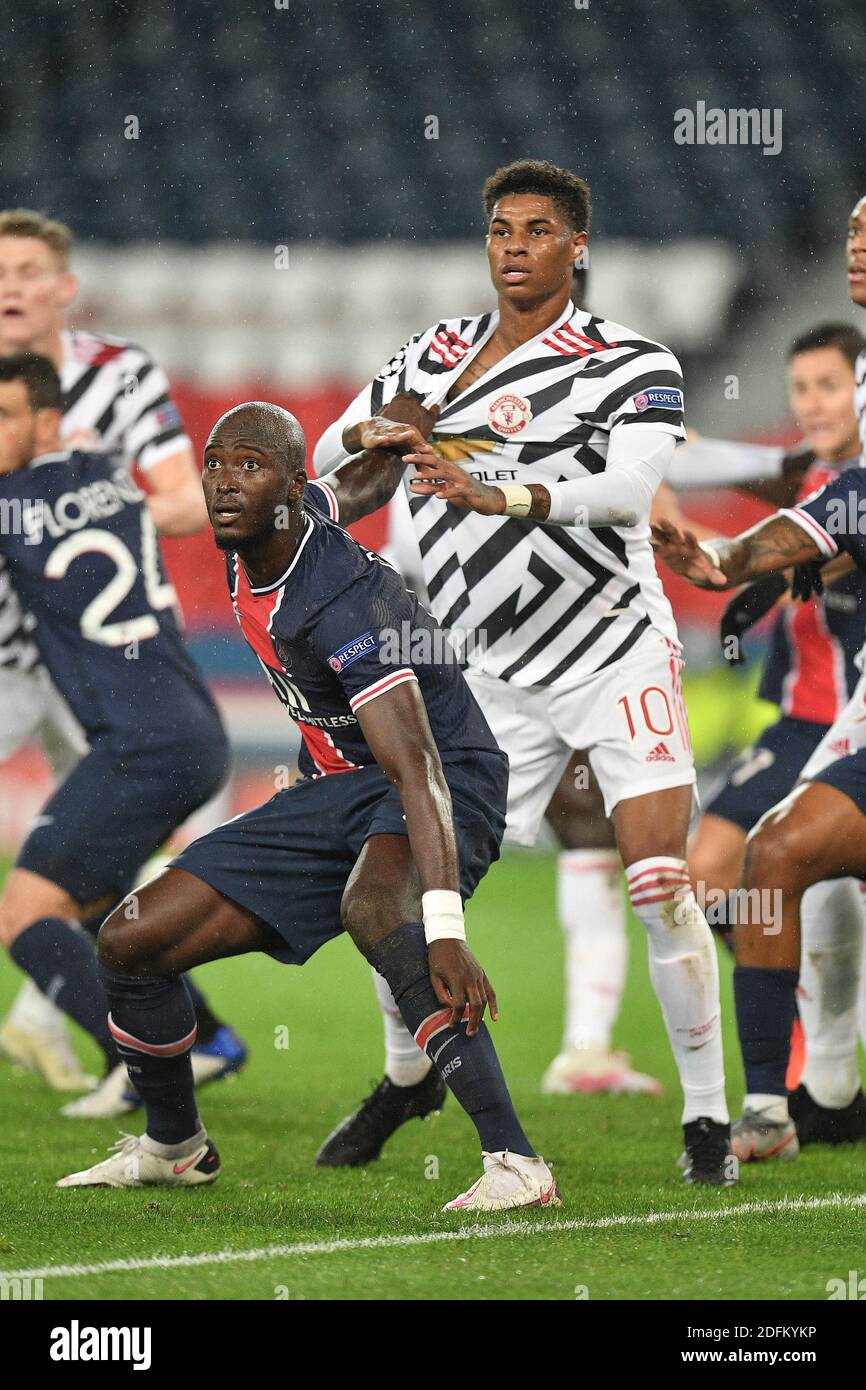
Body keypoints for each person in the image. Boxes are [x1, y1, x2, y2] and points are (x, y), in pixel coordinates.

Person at [311, 159, 733, 1184]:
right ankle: (406, 1074)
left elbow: (629, 486)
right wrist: (370, 434)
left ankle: (708, 1121)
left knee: (657, 877)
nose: (513, 244)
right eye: (501, 227)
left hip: (608, 647)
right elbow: (333, 450)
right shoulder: (436, 351)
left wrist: (495, 490)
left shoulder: (630, 359)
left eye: (537, 229)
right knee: (407, 884)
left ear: (575, 247)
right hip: (480, 674)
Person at [57, 400, 559, 1214]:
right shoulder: (269, 527)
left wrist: (447, 930)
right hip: (340, 789)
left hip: (444, 780)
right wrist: (396, 433)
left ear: (285, 487)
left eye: (248, 466)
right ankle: (175, 1146)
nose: (223, 484)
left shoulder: (345, 601)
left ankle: (516, 1162)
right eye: (216, 462)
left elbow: (418, 762)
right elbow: (351, 485)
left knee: (378, 911)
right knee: (131, 938)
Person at [0, 209, 243, 1096]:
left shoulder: (119, 375)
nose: (10, 288)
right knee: (79, 868)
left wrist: (79, 496)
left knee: (75, 875)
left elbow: (182, 497)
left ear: (63, 287)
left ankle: (155, 1052)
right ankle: (176, 1043)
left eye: (27, 271)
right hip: (25, 661)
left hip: (82, 657)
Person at [653, 194, 866, 1161]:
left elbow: (829, 514)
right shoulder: (822, 472)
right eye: (850, 230)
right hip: (825, 722)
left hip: (834, 718)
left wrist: (744, 561)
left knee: (809, 880)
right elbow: (797, 488)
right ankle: (795, 1093)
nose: (852, 245)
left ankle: (825, 1070)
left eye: (830, 385)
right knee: (770, 866)